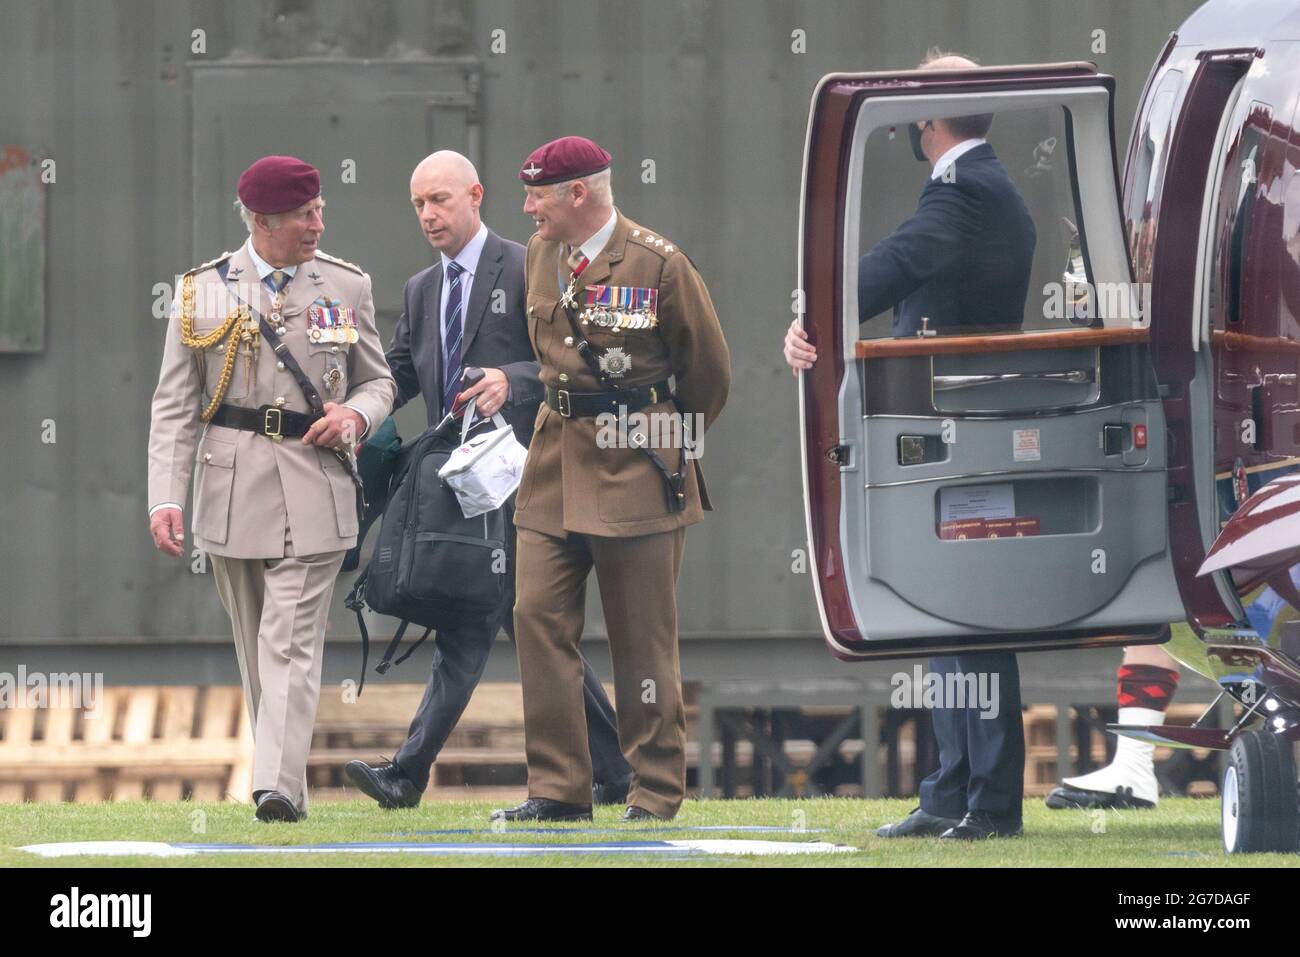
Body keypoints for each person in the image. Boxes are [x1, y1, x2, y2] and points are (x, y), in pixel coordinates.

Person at [784, 51, 1036, 839]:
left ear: (929, 121)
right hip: (955, 424)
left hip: (958, 425)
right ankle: (952, 790)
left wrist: (815, 308)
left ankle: (985, 800)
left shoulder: (964, 193)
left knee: (968, 616)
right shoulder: (978, 189)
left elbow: (892, 266)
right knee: (945, 615)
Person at [344, 150, 634, 809]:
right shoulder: (421, 290)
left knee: (486, 621)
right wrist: (355, 412)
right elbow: (396, 377)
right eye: (418, 204)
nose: (428, 215)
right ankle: (615, 769)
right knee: (498, 620)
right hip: (459, 490)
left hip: (527, 475)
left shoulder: (532, 261)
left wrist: (516, 379)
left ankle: (408, 773)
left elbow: (582, 356)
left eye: (440, 200)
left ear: (477, 195)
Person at [147, 155, 396, 822]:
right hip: (232, 487)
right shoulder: (201, 291)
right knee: (258, 644)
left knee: (288, 639)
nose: (319, 222)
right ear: (260, 221)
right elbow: (174, 404)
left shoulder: (347, 284)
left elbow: (379, 379)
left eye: (319, 210)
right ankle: (285, 785)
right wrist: (165, 496)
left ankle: (274, 788)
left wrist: (356, 415)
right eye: (303, 214)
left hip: (317, 481)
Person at [492, 136, 730, 822]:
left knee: (642, 638)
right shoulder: (540, 254)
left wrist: (666, 441)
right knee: (535, 616)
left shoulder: (659, 262)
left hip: (636, 468)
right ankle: (560, 789)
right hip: (553, 465)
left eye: (538, 194)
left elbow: (708, 372)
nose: (528, 206)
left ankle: (655, 791)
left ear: (579, 194)